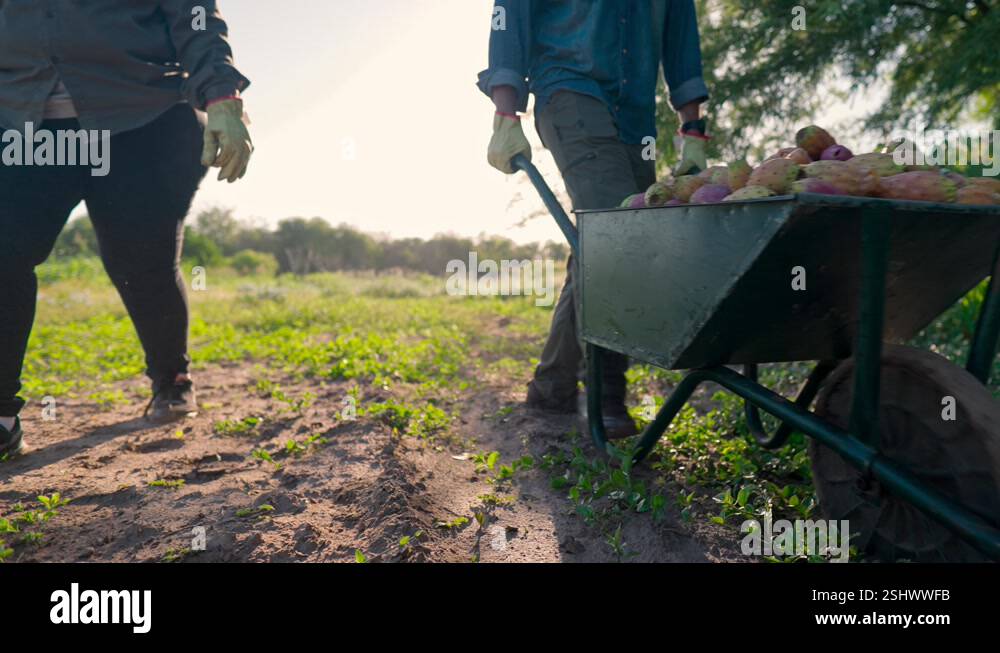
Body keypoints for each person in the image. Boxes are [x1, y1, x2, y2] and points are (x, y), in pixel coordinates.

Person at [0, 1, 253, 457]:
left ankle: (172, 378)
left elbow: (194, 17)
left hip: (142, 119)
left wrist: (222, 97)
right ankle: (1, 417)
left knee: (141, 262)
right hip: (25, 127)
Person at [478, 0, 710, 438]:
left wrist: (692, 130)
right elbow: (512, 13)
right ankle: (606, 396)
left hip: (636, 115)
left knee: (597, 238)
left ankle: (552, 387)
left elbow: (682, 42)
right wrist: (506, 113)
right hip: (568, 90)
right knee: (617, 236)